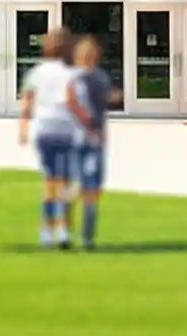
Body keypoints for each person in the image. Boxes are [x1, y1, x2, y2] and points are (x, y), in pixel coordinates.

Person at [18, 28, 87, 250]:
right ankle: (64, 230)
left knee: (49, 183)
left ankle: (47, 231)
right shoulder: (72, 73)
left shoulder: (36, 73)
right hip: (66, 130)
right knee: (66, 183)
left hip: (44, 130)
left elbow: (27, 104)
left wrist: (23, 129)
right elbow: (76, 103)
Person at [71, 35, 114, 251]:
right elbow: (102, 107)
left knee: (70, 187)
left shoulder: (71, 79)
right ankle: (87, 238)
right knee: (92, 191)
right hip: (95, 138)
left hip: (74, 138)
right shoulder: (101, 79)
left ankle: (64, 232)